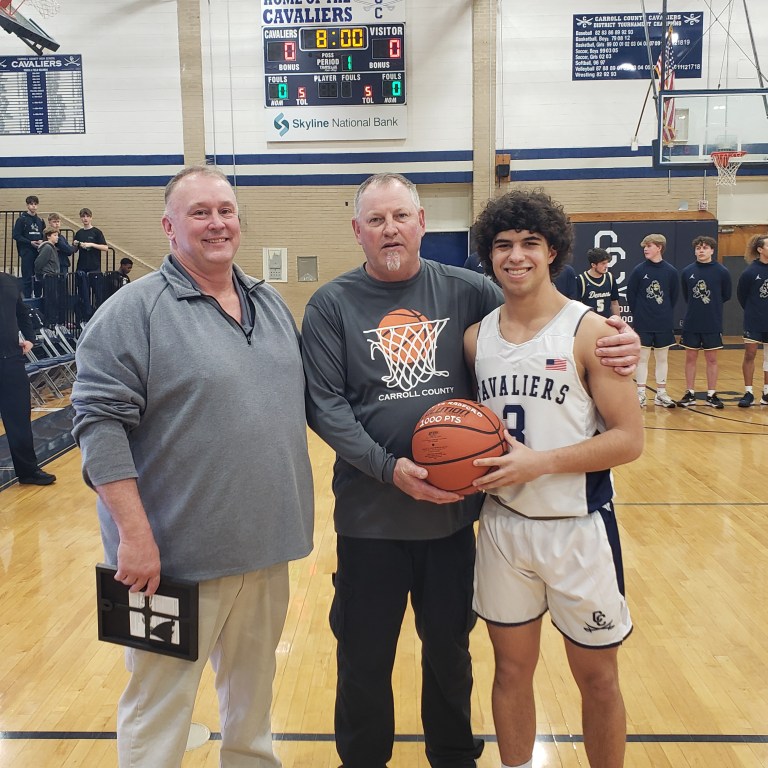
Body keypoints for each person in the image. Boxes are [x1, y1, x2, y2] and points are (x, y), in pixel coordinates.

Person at [300, 173, 640, 768]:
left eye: (400, 216)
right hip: (372, 518)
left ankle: (454, 759)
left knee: (452, 656)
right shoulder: (332, 303)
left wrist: (620, 341)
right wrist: (388, 467)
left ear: (422, 221)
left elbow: (544, 317)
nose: (390, 229)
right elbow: (325, 406)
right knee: (363, 658)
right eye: (375, 220)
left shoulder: (469, 293)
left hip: (462, 522)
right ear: (357, 231)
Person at [70, 166, 314, 767]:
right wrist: (134, 537)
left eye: (225, 210)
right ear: (169, 225)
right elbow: (98, 427)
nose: (217, 223)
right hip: (167, 565)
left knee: (252, 712)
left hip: (265, 551)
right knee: (158, 711)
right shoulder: (133, 311)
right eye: (199, 212)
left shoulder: (269, 302)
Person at [464, 190, 643, 768]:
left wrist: (537, 462)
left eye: (529, 244)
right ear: (489, 256)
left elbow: (628, 439)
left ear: (554, 251)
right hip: (502, 528)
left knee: (597, 677)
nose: (516, 256)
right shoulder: (476, 339)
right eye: (503, 245)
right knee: (510, 671)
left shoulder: (591, 333)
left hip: (578, 528)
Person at [0, 271, 57, 485]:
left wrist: (30, 338)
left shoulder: (9, 281)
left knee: (19, 418)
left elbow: (22, 313)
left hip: (11, 360)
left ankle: (28, 470)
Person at [625, 234, 679, 409]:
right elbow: (631, 295)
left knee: (662, 358)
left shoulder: (670, 271)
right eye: (644, 246)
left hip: (663, 322)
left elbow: (674, 296)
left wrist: (662, 312)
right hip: (643, 322)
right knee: (642, 358)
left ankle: (661, 394)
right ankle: (640, 393)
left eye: (649, 245)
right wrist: (640, 314)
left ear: (659, 247)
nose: (645, 249)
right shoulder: (639, 270)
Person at [677, 235, 732, 408]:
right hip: (692, 322)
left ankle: (711, 394)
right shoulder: (687, 271)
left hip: (712, 322)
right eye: (698, 248)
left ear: (712, 250)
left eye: (705, 248)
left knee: (712, 359)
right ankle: (690, 393)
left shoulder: (722, 271)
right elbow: (687, 296)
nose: (701, 251)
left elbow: (726, 295)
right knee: (690, 358)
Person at [737, 234, 768, 407]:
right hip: (754, 320)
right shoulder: (750, 272)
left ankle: (766, 391)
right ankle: (748, 392)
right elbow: (742, 296)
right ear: (760, 250)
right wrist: (754, 311)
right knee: (750, 354)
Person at [12, 195, 45, 298]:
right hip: (27, 252)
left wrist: (41, 241)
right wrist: (30, 242)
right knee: (27, 278)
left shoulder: (40, 221)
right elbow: (16, 235)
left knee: (38, 277)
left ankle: (38, 299)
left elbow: (44, 234)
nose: (33, 206)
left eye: (35, 204)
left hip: (38, 252)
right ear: (27, 205)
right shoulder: (22, 220)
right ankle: (27, 300)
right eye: (31, 204)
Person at [576, 247, 620, 318]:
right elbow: (577, 306)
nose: (606, 266)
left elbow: (614, 303)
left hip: (606, 322)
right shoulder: (581, 280)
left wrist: (618, 321)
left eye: (607, 263)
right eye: (603, 263)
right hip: (589, 323)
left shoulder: (610, 278)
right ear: (593, 265)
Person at [73, 207, 109, 273]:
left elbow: (105, 248)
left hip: (94, 267)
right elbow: (75, 250)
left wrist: (91, 244)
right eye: (83, 216)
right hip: (81, 267)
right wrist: (75, 244)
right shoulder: (79, 233)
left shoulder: (97, 232)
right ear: (81, 218)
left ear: (91, 218)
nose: (85, 218)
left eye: (87, 216)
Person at [34, 227, 61, 294]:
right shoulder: (47, 247)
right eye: (55, 235)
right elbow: (39, 262)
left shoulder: (52, 247)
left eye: (57, 235)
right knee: (50, 297)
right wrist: (39, 274)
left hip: (53, 275)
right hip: (49, 276)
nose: (57, 237)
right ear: (48, 236)